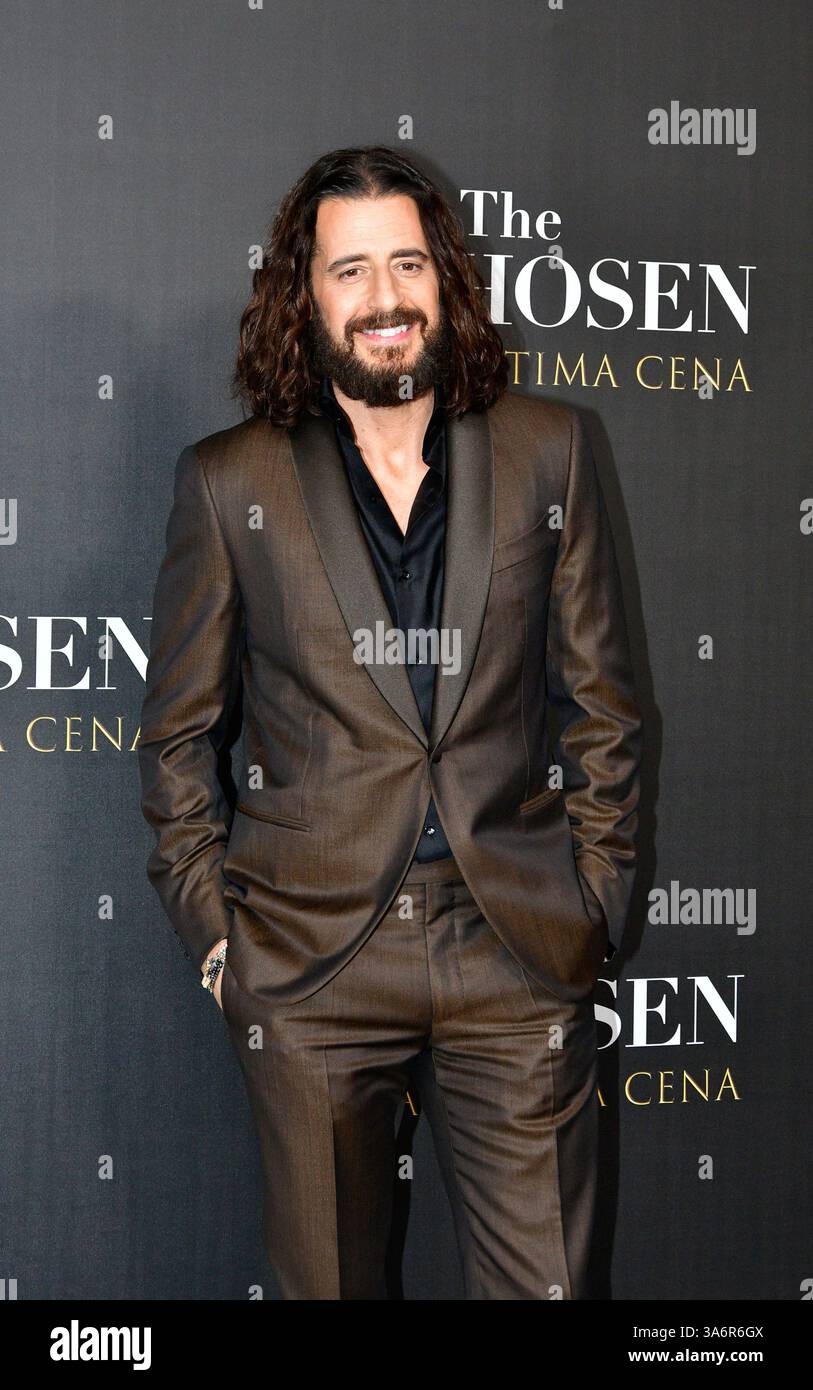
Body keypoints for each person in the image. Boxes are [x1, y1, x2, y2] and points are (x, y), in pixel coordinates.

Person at [138, 144, 642, 1300]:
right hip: (311, 966)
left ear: (445, 279)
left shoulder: (547, 450)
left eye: (406, 264)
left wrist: (595, 903)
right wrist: (223, 946)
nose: (383, 300)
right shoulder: (232, 481)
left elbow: (604, 706)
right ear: (303, 294)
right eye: (349, 270)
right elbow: (175, 738)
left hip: (511, 946)